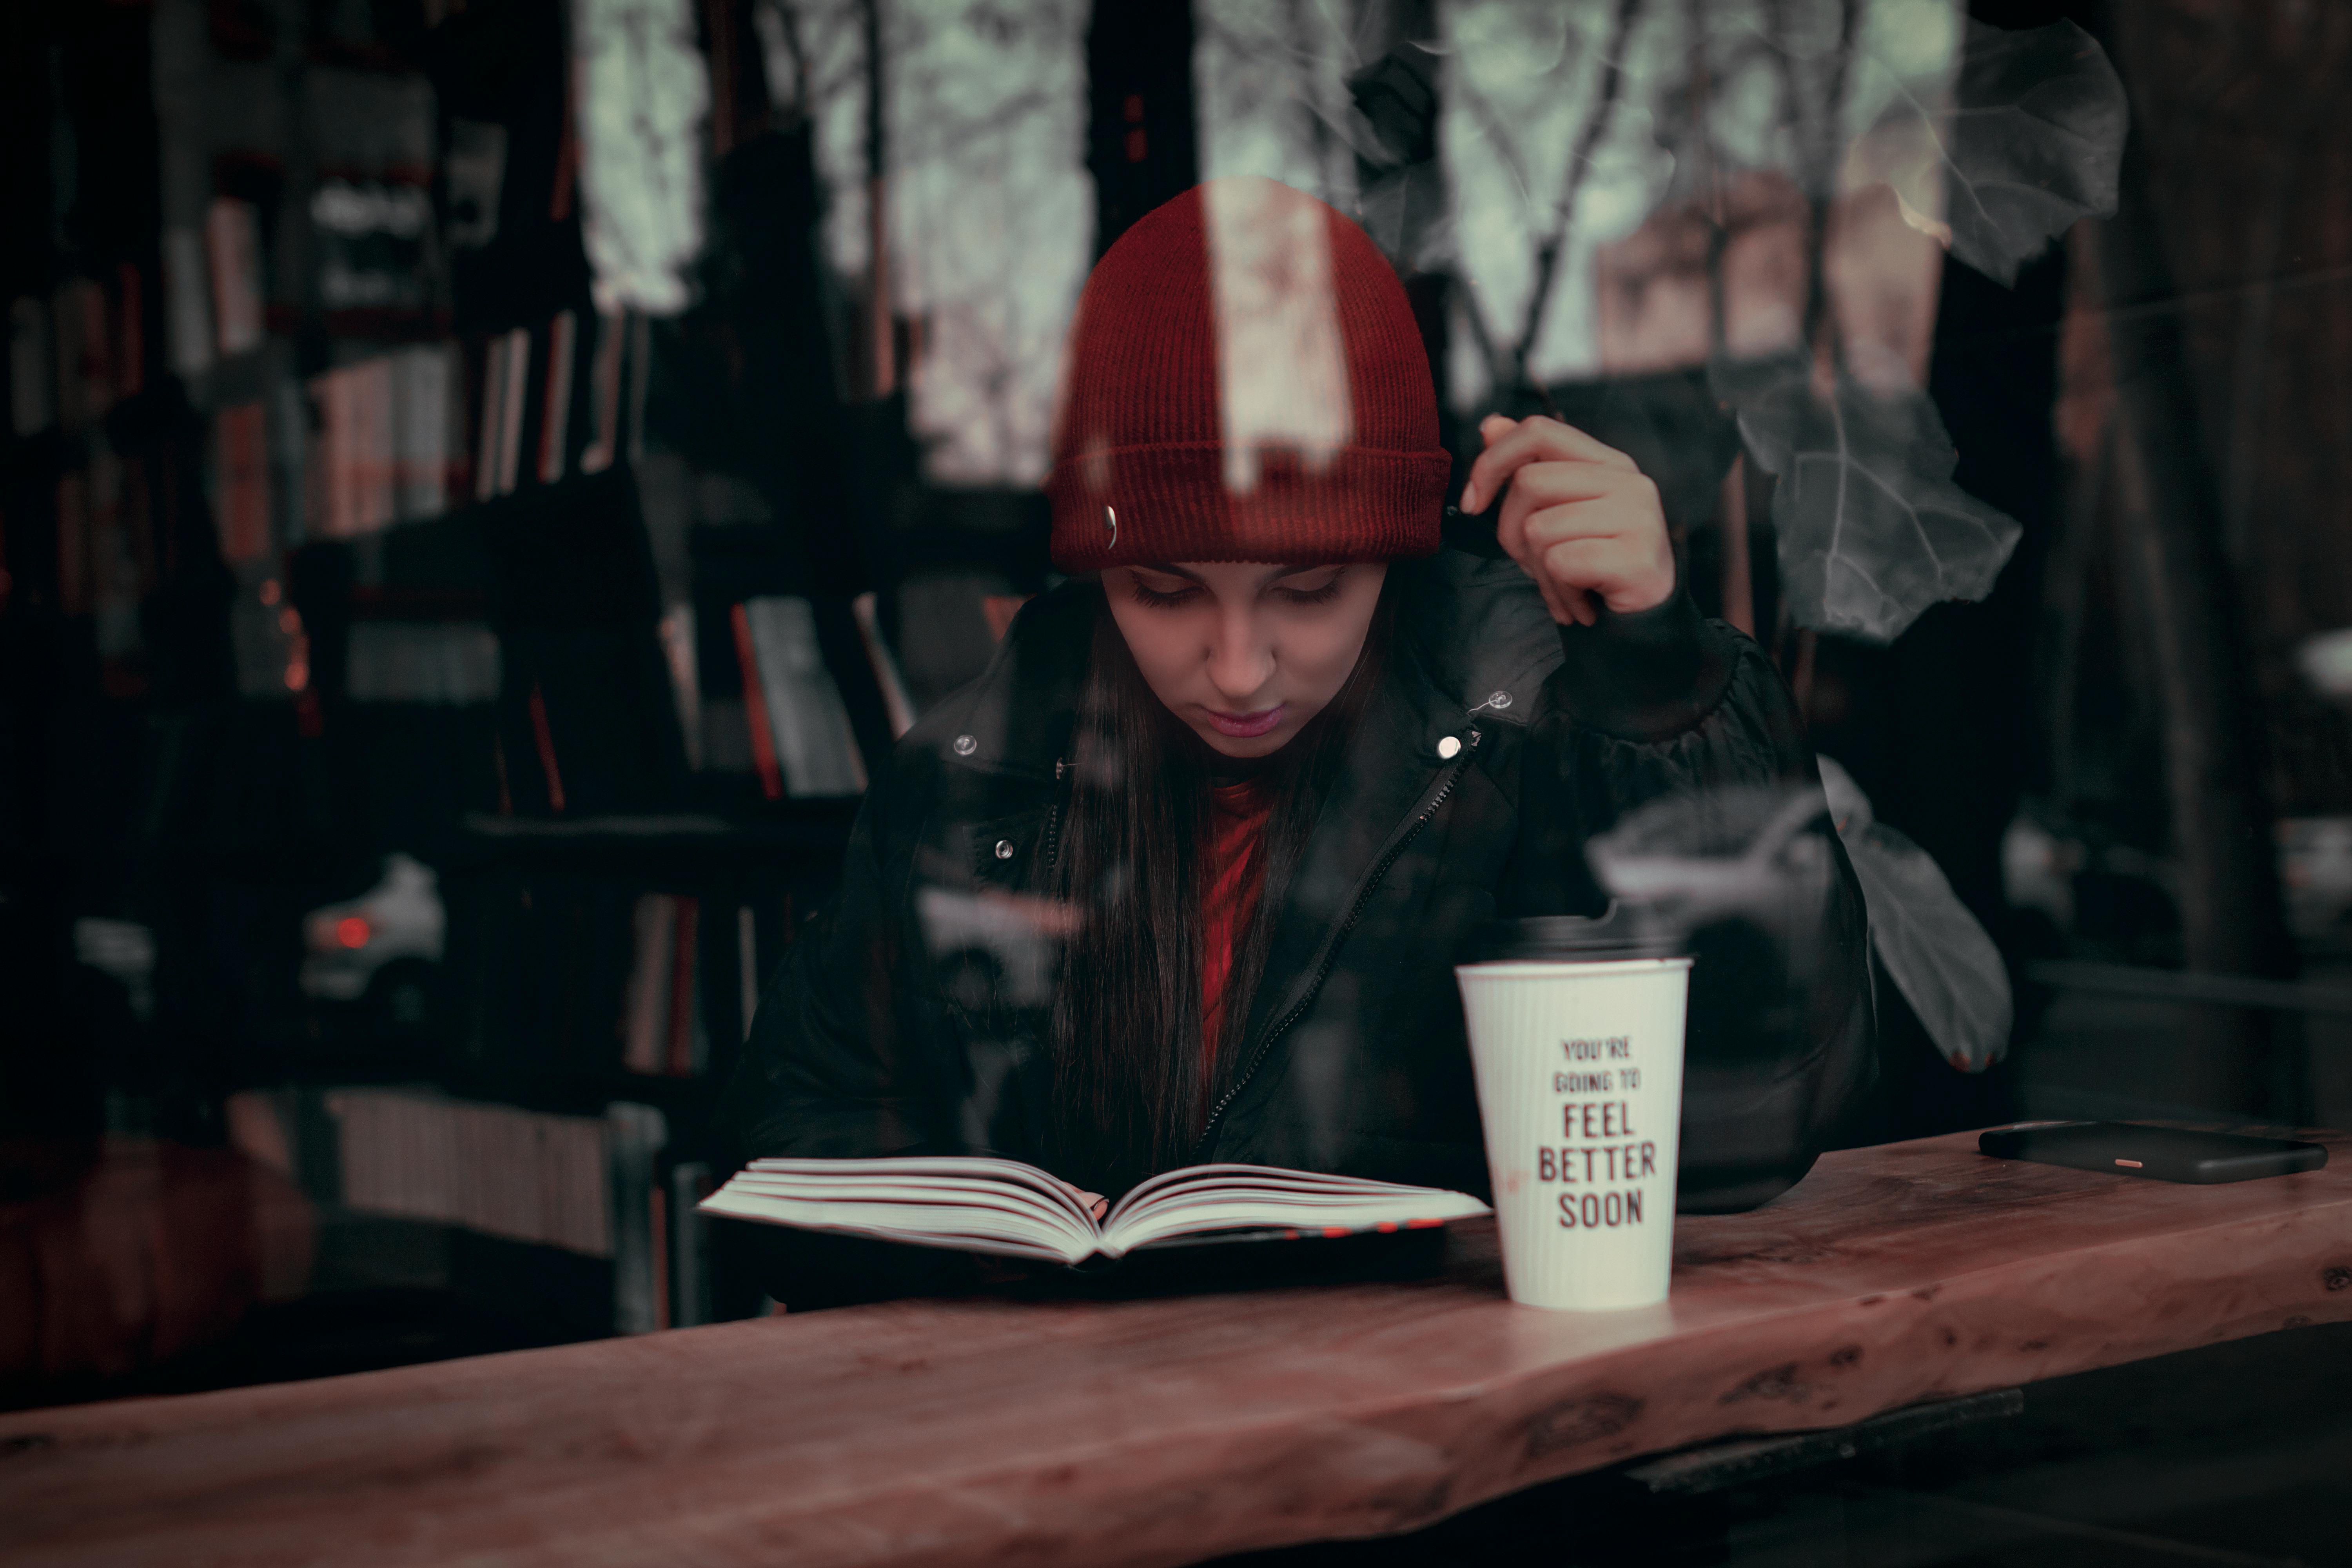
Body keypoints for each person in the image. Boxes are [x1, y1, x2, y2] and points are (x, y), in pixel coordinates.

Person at [722, 178, 1873, 1306]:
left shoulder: (1539, 716)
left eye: (1310, 589)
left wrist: (1660, 687)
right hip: (1070, 1445)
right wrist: (976, 1254)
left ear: (1392, 554)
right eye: (1163, 593)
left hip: (1455, 1439)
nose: (1236, 669)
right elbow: (801, 1135)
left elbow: (1756, 1118)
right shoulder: (980, 761)